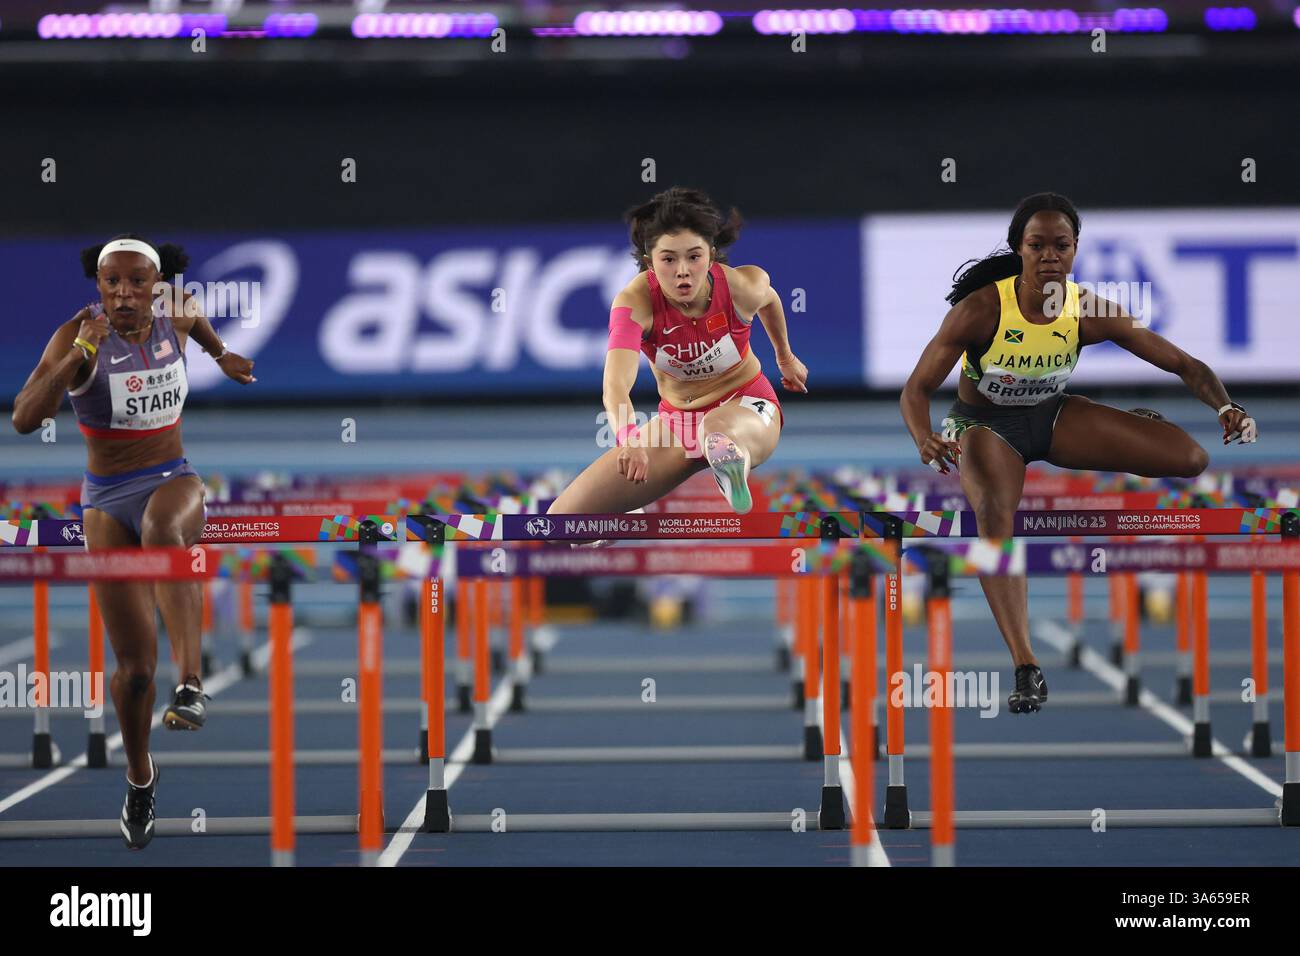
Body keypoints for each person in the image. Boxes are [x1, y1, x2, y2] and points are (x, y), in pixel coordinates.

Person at [899, 192, 1257, 714]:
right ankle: (1026, 664)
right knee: (995, 518)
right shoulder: (979, 311)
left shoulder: (1089, 312)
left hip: (1054, 417)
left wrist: (1226, 407)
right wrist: (924, 437)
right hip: (986, 428)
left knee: (1191, 459)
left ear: (1075, 250)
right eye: (1037, 245)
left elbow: (1183, 363)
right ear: (1018, 249)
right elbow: (916, 389)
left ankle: (1135, 427)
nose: (1049, 256)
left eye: (1060, 246)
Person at [11, 235, 256, 847]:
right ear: (98, 284)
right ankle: (141, 778)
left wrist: (221, 354)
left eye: (136, 283)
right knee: (135, 672)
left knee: (163, 529)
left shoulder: (177, 308)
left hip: (173, 479)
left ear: (157, 285)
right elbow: (23, 417)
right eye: (111, 282)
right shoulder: (77, 335)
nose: (123, 293)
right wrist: (76, 362)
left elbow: (198, 322)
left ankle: (193, 684)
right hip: (104, 501)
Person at [547, 187, 808, 526]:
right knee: (561, 522)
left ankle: (731, 467)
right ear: (649, 261)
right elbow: (615, 386)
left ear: (711, 255)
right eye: (669, 259)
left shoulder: (741, 286)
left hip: (747, 407)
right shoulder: (634, 304)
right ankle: (624, 510)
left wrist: (784, 357)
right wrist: (629, 441)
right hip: (676, 425)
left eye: (694, 257)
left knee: (716, 431)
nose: (683, 271)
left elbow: (770, 300)